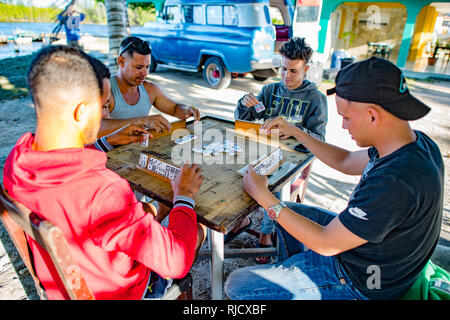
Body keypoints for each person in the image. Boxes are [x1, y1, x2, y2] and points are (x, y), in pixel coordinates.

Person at [225, 56, 444, 300]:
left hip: (363, 280)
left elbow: (326, 243)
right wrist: (296, 131)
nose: (343, 125)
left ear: (373, 115)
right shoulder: (414, 144)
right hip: (371, 251)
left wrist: (264, 196)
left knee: (237, 285)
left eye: (347, 117)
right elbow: (346, 161)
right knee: (289, 213)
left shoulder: (396, 180)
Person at [3, 45, 205, 300]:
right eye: (103, 107)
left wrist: (104, 142)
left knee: (147, 211)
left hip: (63, 282)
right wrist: (184, 195)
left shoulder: (18, 157)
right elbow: (177, 260)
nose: (105, 115)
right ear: (82, 112)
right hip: (124, 292)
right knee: (196, 229)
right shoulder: (103, 190)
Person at [231, 37, 328, 263]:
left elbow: (320, 142)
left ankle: (266, 233)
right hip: (263, 152)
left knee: (273, 186)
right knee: (236, 170)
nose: (286, 76)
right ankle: (241, 220)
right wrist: (243, 104)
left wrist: (294, 131)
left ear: (306, 69)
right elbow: (245, 120)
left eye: (293, 71)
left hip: (294, 161)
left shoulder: (315, 99)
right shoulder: (270, 90)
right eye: (283, 69)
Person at [100, 36, 201, 136]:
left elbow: (174, 108)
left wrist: (187, 109)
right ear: (121, 62)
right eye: (139, 67)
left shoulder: (150, 90)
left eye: (147, 67)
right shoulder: (106, 90)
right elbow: (100, 128)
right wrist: (142, 121)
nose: (145, 73)